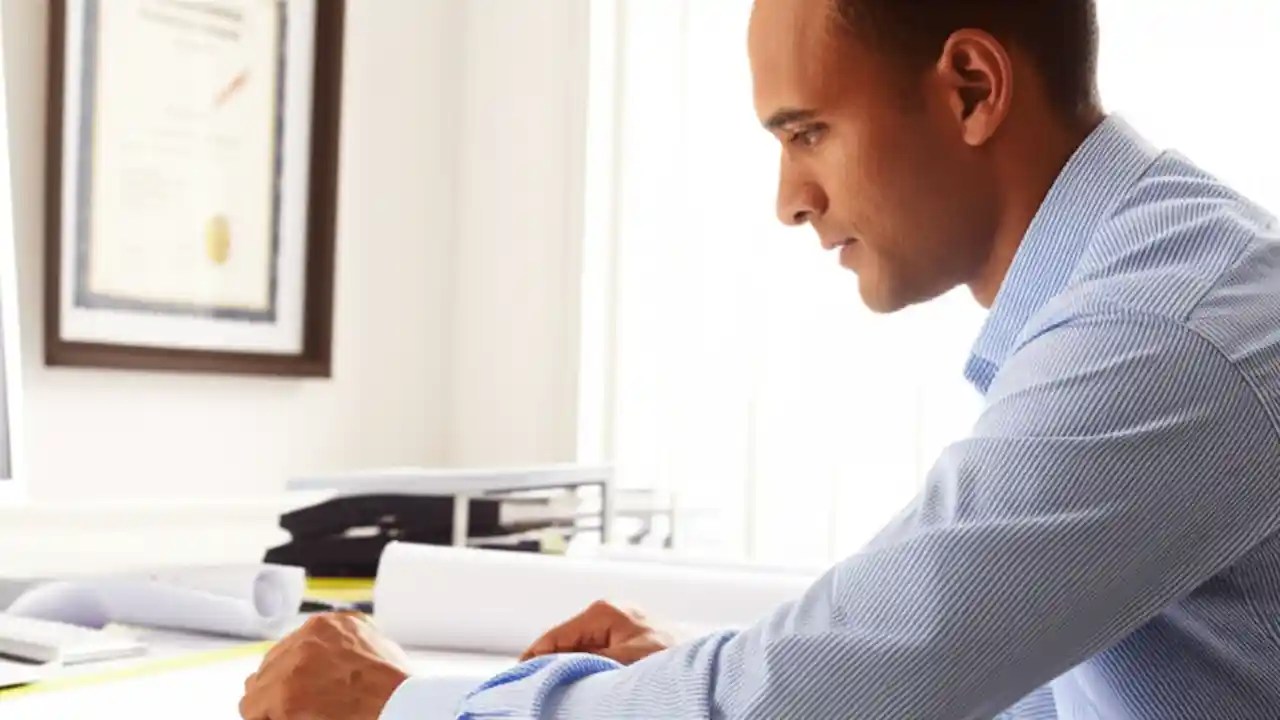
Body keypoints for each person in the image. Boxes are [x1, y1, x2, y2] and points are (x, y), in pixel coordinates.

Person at [239, 0, 1280, 716]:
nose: (787, 199)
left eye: (808, 132)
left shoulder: (1162, 334)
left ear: (969, 87)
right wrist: (694, 681)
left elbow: (844, 691)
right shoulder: (1148, 281)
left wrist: (404, 708)